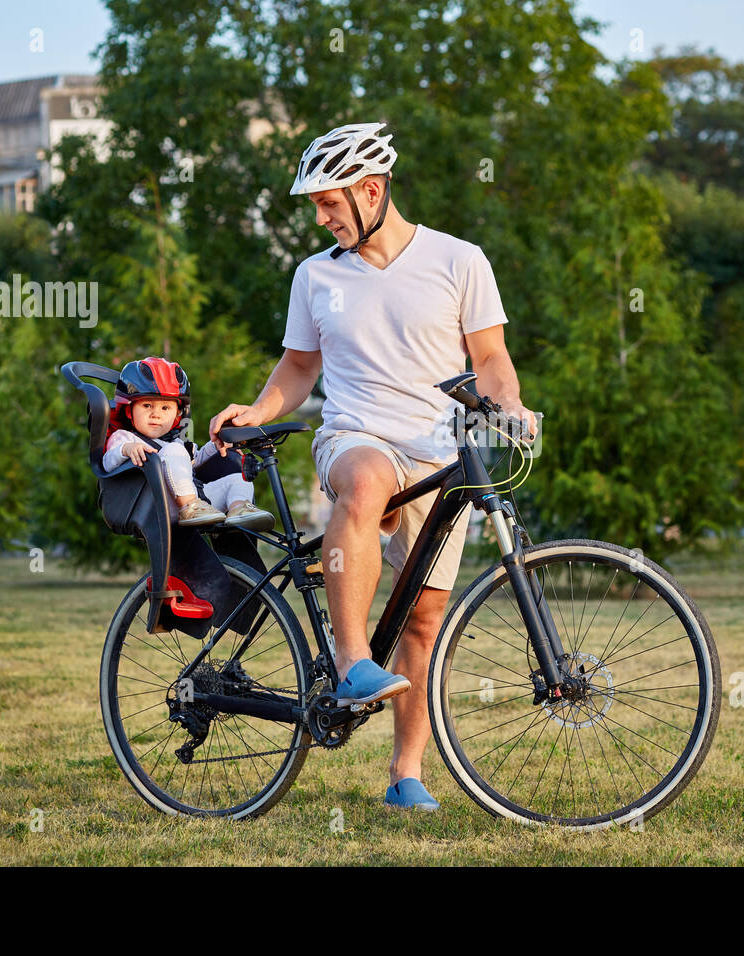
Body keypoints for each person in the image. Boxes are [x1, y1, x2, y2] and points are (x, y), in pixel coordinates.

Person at [209, 122, 536, 811]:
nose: (321, 217)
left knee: (424, 623)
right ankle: (354, 662)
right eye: (317, 207)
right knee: (363, 483)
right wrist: (258, 410)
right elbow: (300, 367)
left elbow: (491, 358)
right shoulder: (316, 275)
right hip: (355, 433)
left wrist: (508, 403)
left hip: (438, 452)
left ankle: (405, 775)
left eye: (329, 203)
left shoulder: (459, 260)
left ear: (372, 189)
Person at [104, 356, 274, 529]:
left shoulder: (178, 442)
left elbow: (195, 462)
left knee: (238, 478)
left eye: (165, 408)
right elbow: (107, 463)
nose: (156, 414)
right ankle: (189, 506)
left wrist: (215, 445)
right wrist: (126, 449)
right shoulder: (125, 438)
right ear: (129, 411)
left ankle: (239, 509)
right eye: (147, 405)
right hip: (156, 505)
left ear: (177, 414)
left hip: (201, 503)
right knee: (175, 451)